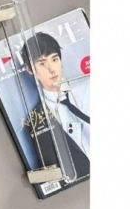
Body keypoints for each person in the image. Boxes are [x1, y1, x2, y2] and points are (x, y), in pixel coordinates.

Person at [22, 30, 90, 176]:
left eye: (54, 59)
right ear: (30, 69)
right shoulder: (36, 119)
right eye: (42, 63)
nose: (51, 69)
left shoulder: (88, 89)